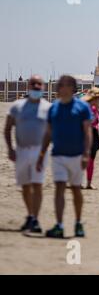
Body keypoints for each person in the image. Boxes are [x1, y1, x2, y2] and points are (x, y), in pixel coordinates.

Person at [37, 75, 93, 238]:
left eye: (63, 85)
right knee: (59, 189)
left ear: (72, 88)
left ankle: (78, 223)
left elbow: (87, 132)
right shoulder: (53, 108)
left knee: (76, 189)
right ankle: (59, 225)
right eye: (59, 85)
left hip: (77, 155)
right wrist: (41, 154)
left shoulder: (82, 107)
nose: (60, 87)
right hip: (58, 156)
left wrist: (86, 153)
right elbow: (48, 133)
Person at [3, 76, 51, 233]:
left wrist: (44, 152)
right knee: (24, 185)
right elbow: (8, 128)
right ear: (28, 86)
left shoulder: (48, 108)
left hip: (40, 150)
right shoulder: (17, 106)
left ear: (43, 87)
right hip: (21, 150)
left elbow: (50, 132)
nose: (36, 86)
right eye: (33, 84)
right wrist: (10, 149)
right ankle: (30, 215)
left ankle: (35, 219)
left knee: (37, 184)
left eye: (39, 84)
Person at [82, 88, 99, 190]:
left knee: (91, 160)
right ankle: (80, 181)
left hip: (93, 134)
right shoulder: (84, 108)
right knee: (82, 159)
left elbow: (96, 124)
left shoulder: (94, 109)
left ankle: (88, 183)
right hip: (84, 133)